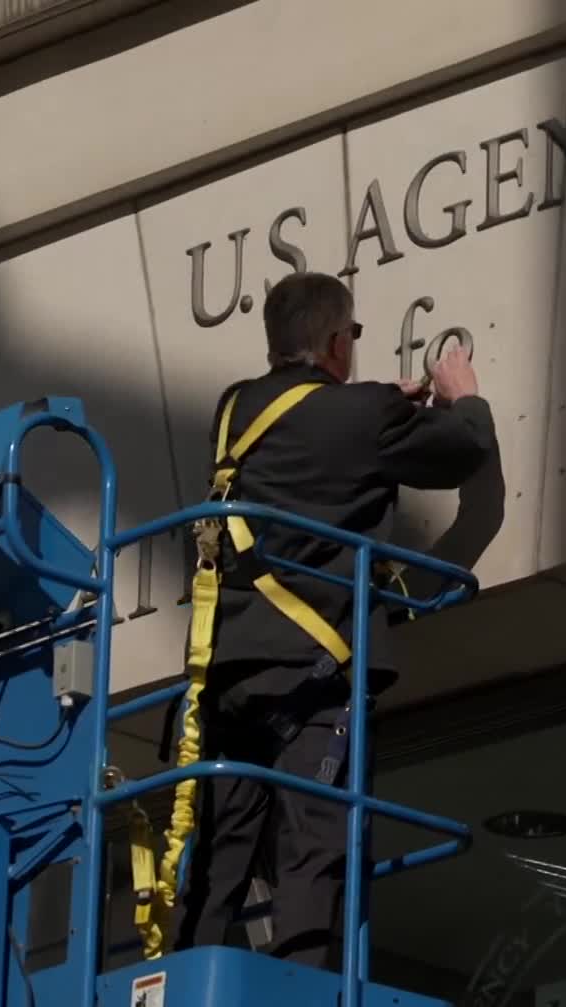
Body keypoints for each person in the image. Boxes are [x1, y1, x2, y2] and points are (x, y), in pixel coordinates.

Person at [171, 270, 495, 970]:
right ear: (333, 340)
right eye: (352, 334)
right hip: (311, 675)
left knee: (221, 853)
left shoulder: (235, 410)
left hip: (229, 668)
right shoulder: (361, 415)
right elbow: (460, 452)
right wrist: (464, 401)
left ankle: (181, 995)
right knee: (315, 848)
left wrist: (377, 410)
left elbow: (310, 448)